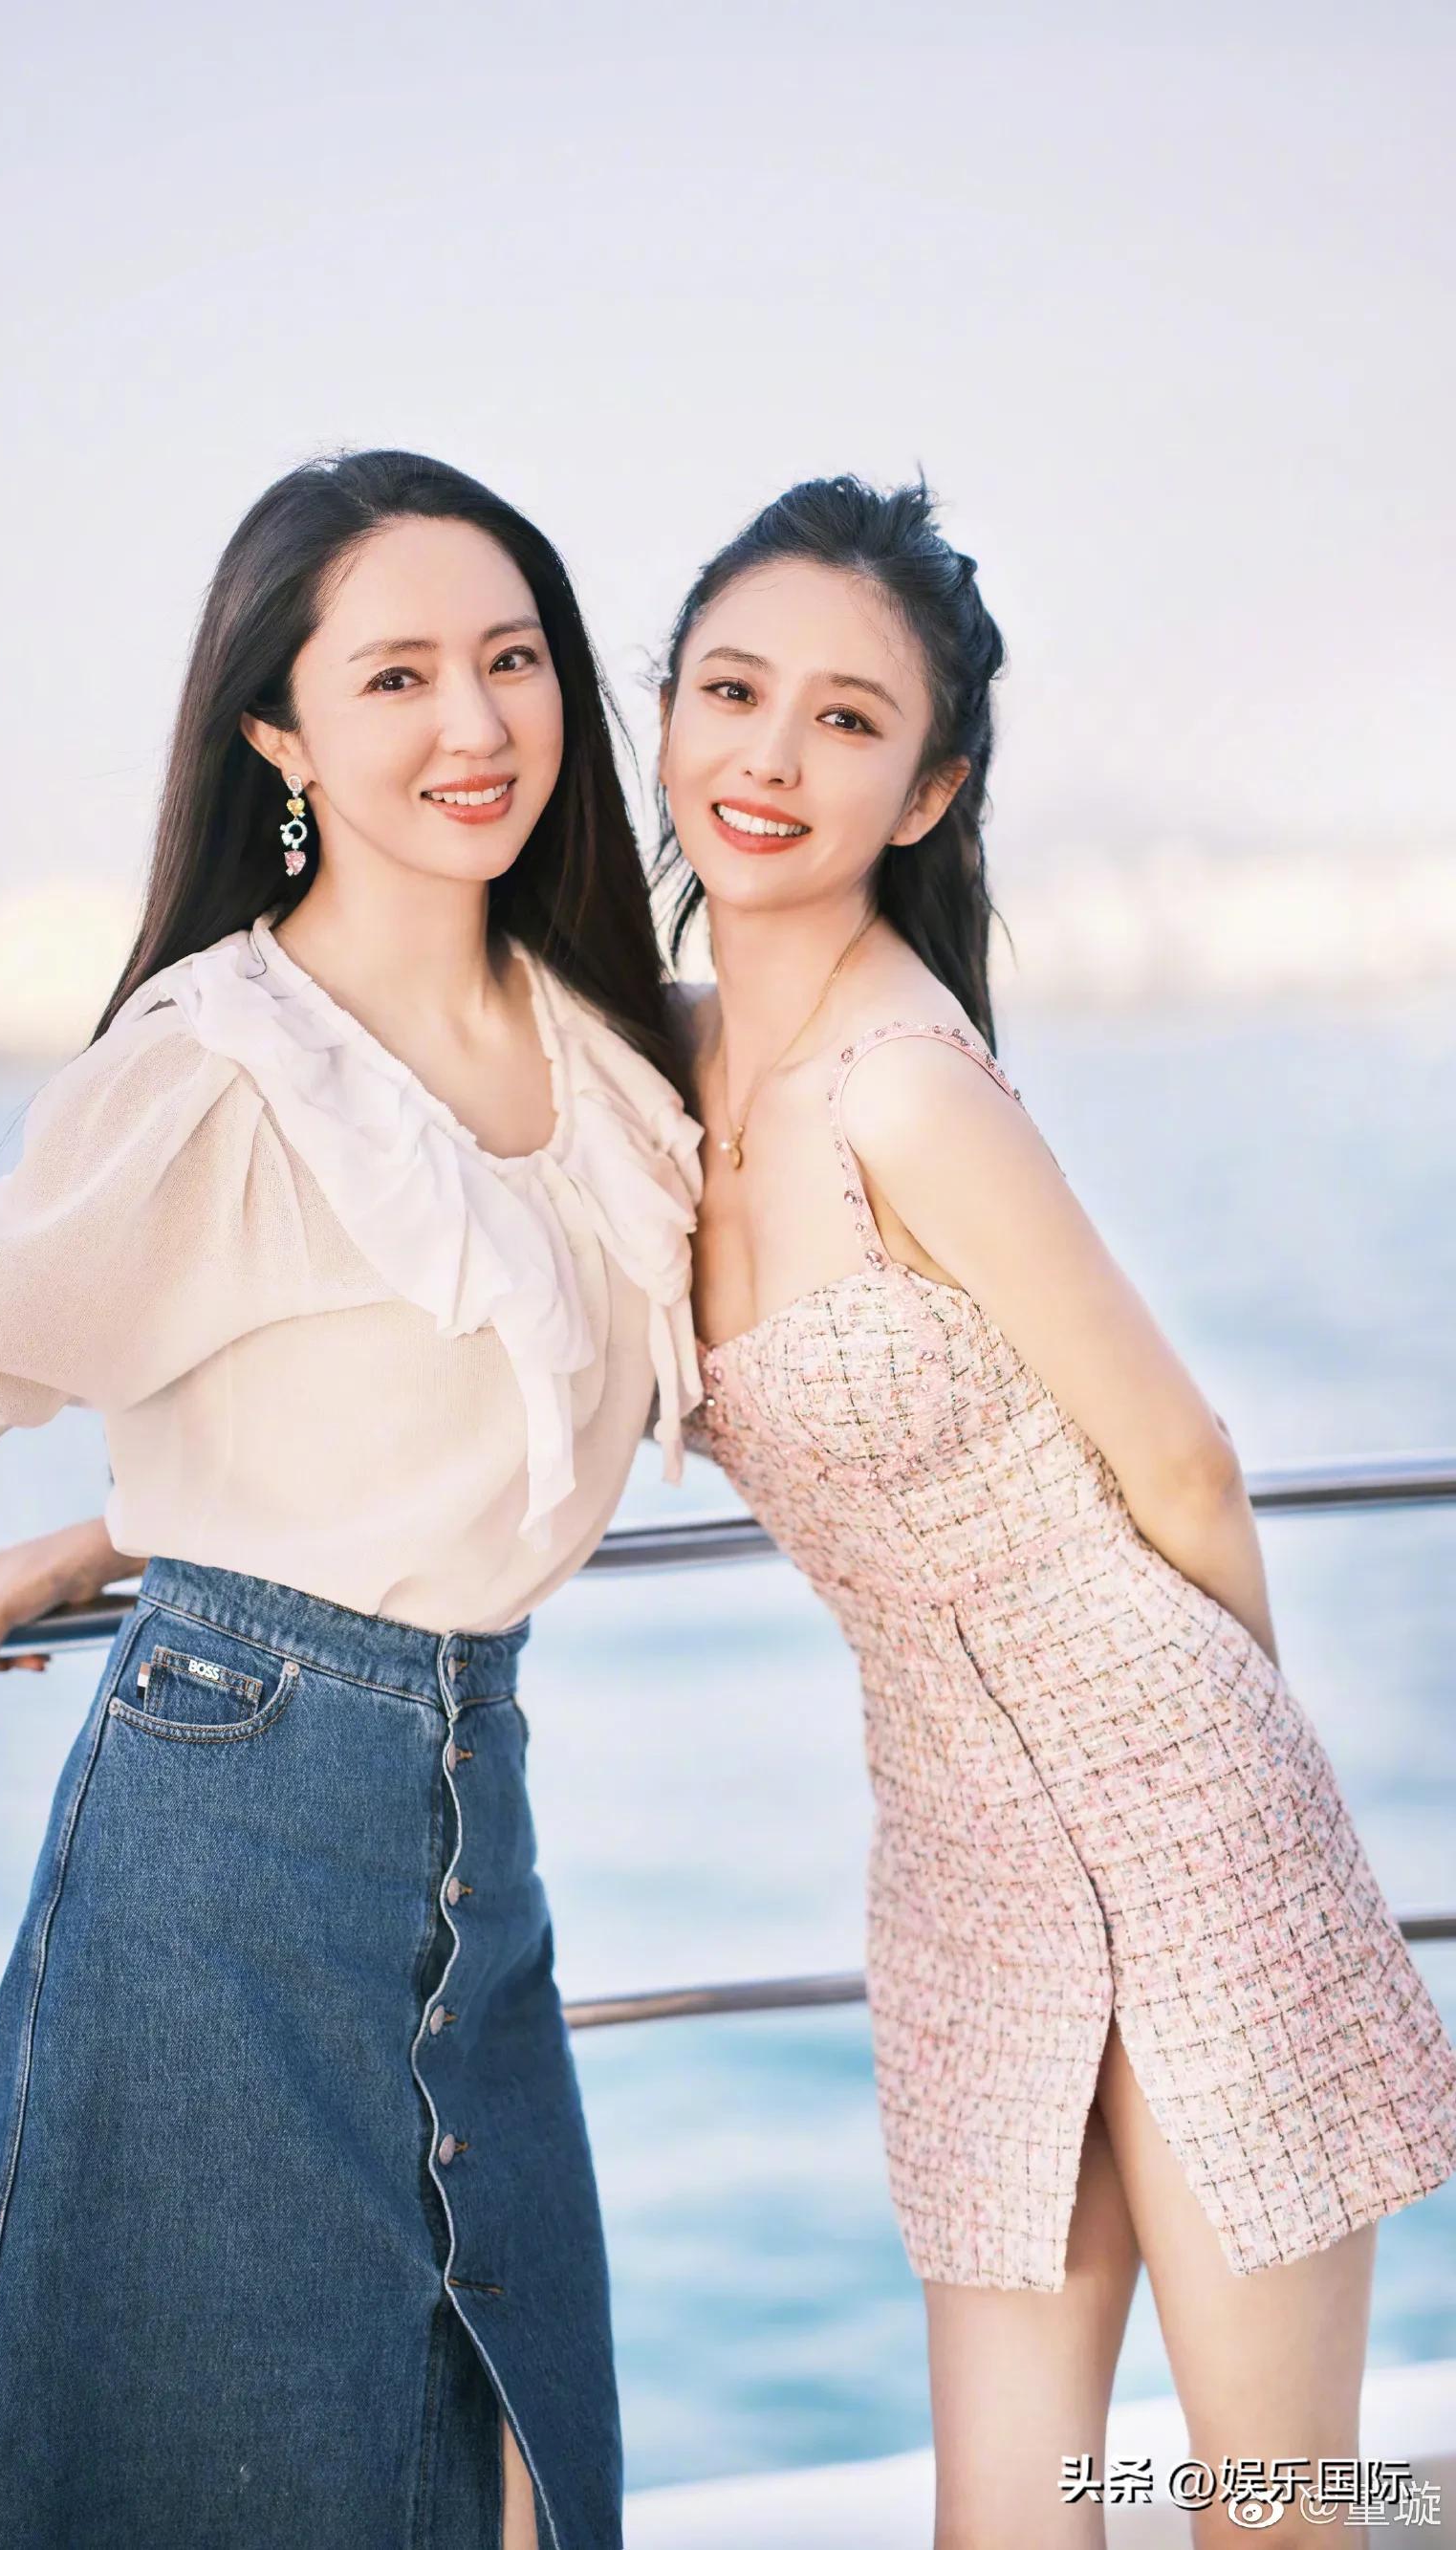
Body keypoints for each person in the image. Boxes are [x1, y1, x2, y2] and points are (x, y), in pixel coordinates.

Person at [0, 449, 706, 2550]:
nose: (474, 722)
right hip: (228, 1843)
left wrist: (118, 1530)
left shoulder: (610, 1053)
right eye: (398, 676)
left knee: (519, 2475)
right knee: (186, 2469)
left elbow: (400, 1438)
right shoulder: (219, 1063)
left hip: (476, 1831)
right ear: (276, 728)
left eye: (514, 658)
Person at [662, 473, 1456, 2547]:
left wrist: (1246, 1816)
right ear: (660, 717)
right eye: (732, 689)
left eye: (845, 719)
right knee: (1003, 2522)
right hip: (958, 1864)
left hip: (1179, 1806)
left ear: (925, 793)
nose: (770, 752)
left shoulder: (907, 1085)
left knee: (1269, 2506)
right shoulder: (653, 1077)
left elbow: (1177, 1457)